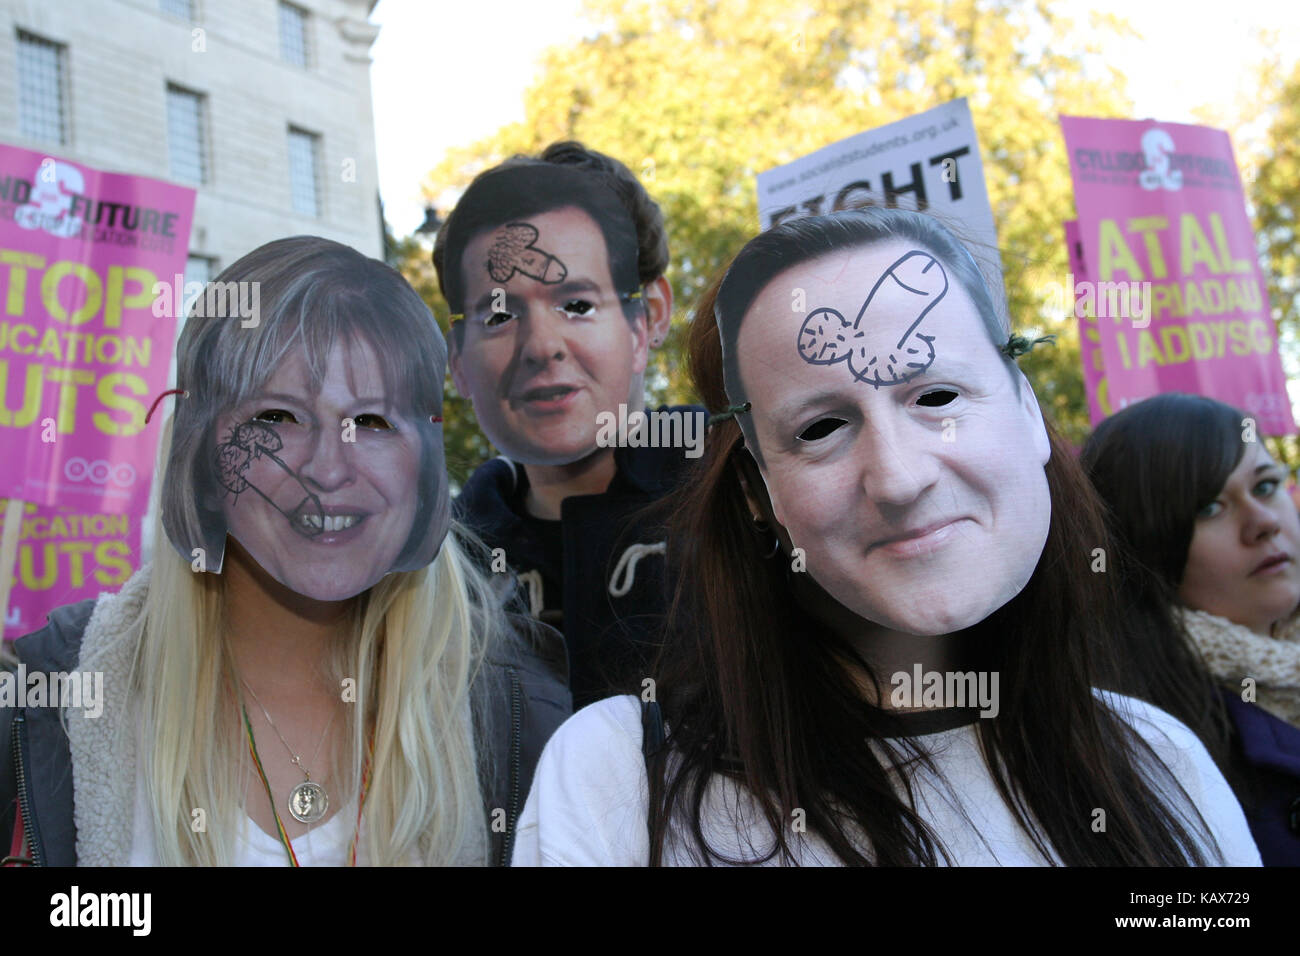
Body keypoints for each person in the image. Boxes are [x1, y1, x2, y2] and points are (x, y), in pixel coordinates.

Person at [513, 207, 1260, 866]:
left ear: (1028, 411)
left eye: (937, 396)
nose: (899, 479)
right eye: (822, 429)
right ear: (754, 493)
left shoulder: (1161, 761)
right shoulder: (614, 778)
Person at [0, 236, 569, 867]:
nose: (328, 469)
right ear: (201, 462)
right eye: (277, 417)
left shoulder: (524, 715)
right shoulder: (50, 704)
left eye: (373, 422)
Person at [434, 141, 701, 708]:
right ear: (457, 357)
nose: (542, 346)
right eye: (500, 314)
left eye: (576, 304)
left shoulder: (755, 494)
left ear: (648, 316)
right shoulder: (432, 580)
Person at [1081, 392, 1300, 865]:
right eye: (1208, 508)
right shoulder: (1146, 753)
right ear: (1144, 552)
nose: (1262, 523)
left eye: (1264, 486)